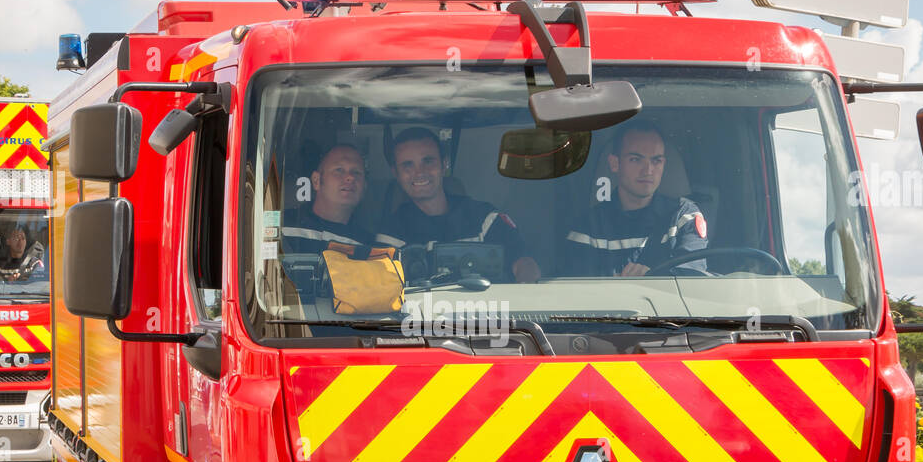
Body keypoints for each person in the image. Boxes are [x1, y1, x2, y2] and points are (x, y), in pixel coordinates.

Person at [384, 127, 540, 283]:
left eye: (428, 161)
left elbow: (525, 264)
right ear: (395, 173)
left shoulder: (485, 219)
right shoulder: (391, 232)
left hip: (489, 306)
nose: (419, 172)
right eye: (408, 165)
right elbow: (385, 286)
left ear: (444, 164)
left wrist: (526, 292)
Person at [562, 120, 707, 277]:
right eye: (636, 159)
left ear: (664, 164)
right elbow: (576, 291)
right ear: (615, 163)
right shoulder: (590, 226)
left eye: (656, 160)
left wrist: (652, 277)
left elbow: (693, 278)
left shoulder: (683, 216)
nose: (648, 170)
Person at [280, 144, 391, 256]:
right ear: (316, 181)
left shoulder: (369, 247)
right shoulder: (282, 225)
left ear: (364, 187)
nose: (350, 177)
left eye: (356, 172)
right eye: (339, 170)